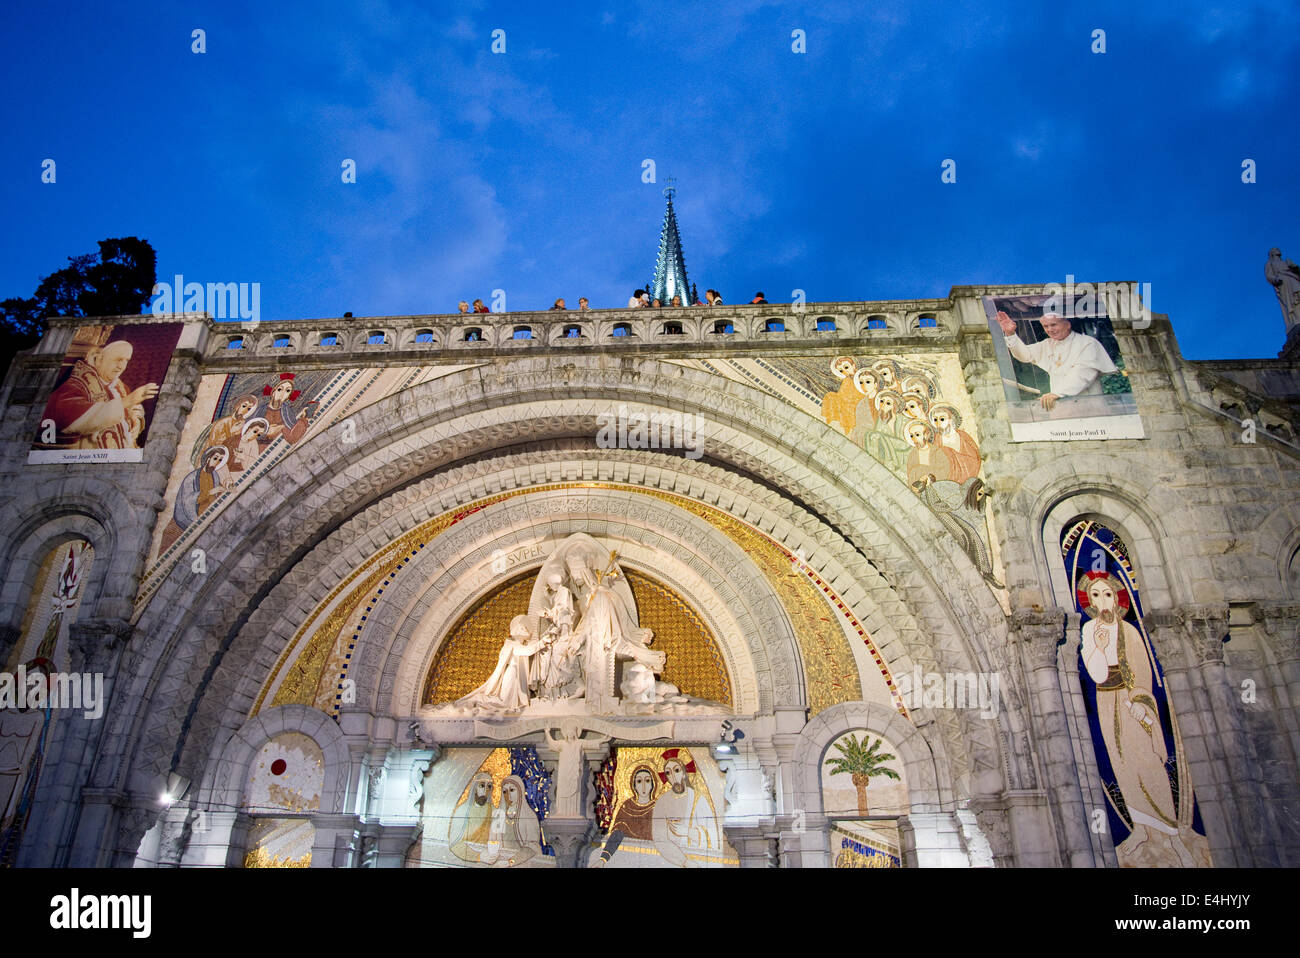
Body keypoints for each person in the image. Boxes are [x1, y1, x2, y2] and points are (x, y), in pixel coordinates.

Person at [1078, 573, 1195, 865]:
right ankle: (1141, 828)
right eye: (1095, 595)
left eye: (1107, 594)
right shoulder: (1090, 629)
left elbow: (1142, 667)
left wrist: (1141, 701)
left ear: (1116, 598)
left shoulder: (1129, 630)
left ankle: (1172, 833)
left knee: (1148, 764)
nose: (1102, 601)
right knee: (1121, 765)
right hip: (1107, 701)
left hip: (1135, 702)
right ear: (1089, 602)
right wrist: (1100, 648)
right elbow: (1097, 674)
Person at [41, 340, 159, 450]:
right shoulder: (77, 385)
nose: (122, 367)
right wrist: (128, 401)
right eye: (118, 359)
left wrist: (136, 421)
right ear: (100, 359)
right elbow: (69, 417)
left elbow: (134, 409)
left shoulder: (120, 386)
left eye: (126, 360)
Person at [994, 309, 1118, 411]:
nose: (1050, 330)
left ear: (1068, 324)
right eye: (1046, 326)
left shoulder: (1088, 343)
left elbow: (1083, 373)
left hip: (1089, 406)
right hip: (1060, 406)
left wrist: (1057, 393)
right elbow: (1024, 355)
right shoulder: (1048, 344)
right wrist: (1010, 334)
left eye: (1053, 324)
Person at [454, 615, 542, 711]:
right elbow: (526, 651)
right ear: (517, 631)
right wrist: (542, 643)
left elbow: (528, 650)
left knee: (508, 702)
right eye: (523, 628)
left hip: (516, 674)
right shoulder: (512, 644)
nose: (526, 630)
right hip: (512, 672)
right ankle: (478, 701)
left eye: (526, 628)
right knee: (505, 702)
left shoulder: (521, 645)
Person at [652, 748, 717, 866]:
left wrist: (688, 832)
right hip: (671, 860)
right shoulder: (662, 802)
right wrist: (684, 861)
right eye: (668, 773)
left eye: (676, 770)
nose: (673, 776)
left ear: (684, 772)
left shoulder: (698, 799)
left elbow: (712, 836)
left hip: (698, 859)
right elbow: (660, 839)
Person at [590, 764, 659, 866]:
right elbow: (617, 833)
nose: (643, 786)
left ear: (653, 784)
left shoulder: (659, 808)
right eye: (639, 781)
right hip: (628, 857)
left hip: (653, 860)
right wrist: (603, 860)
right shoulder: (627, 806)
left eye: (647, 781)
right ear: (633, 785)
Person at [482, 775, 541, 867]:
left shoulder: (529, 816)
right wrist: (487, 855)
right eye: (505, 791)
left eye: (512, 790)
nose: (508, 795)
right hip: (499, 862)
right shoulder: (498, 815)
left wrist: (511, 862)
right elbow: (492, 841)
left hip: (521, 862)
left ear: (520, 791)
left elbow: (532, 846)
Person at [256, 374, 314, 446]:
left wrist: (304, 418)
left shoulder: (286, 413)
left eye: (287, 391)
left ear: (288, 396)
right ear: (273, 391)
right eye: (280, 389)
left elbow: (292, 438)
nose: (282, 394)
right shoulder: (260, 410)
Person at [929, 403, 981, 483]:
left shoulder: (963, 436)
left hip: (969, 479)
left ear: (950, 420)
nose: (938, 423)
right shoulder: (936, 440)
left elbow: (976, 458)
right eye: (935, 419)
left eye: (942, 419)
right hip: (948, 482)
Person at [449, 772, 495, 863]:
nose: (485, 790)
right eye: (482, 785)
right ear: (474, 787)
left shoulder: (494, 811)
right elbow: (454, 843)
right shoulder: (463, 811)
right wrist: (478, 856)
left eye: (489, 786)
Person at [821, 357, 860, 435]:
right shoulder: (846, 381)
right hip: (846, 403)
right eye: (841, 371)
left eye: (846, 367)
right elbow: (841, 395)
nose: (845, 371)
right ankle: (831, 421)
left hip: (857, 405)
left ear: (853, 366)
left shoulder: (862, 378)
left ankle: (847, 427)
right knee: (830, 396)